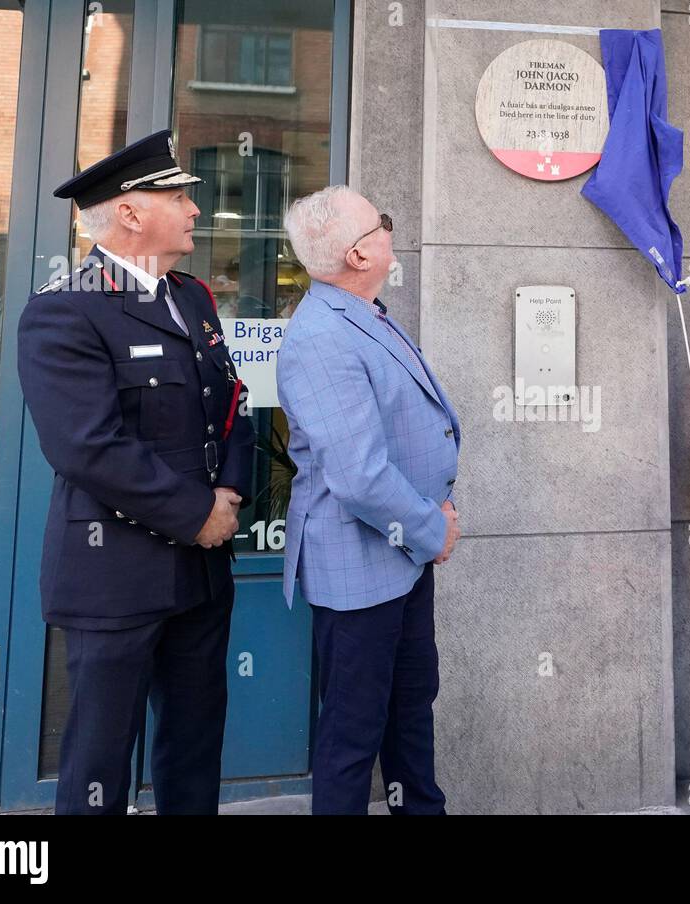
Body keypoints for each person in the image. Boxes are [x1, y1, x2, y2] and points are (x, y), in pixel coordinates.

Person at [17, 129, 255, 814]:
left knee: (194, 746)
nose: (195, 209)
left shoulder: (192, 297)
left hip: (200, 572)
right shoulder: (65, 308)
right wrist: (197, 513)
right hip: (115, 574)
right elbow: (87, 447)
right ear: (128, 212)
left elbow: (232, 403)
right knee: (100, 758)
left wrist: (230, 491)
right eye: (178, 196)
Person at [277, 186, 461, 815]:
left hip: (401, 556)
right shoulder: (322, 336)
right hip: (362, 564)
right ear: (358, 255)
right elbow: (358, 477)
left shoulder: (363, 312)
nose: (390, 228)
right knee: (353, 733)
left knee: (410, 707)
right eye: (381, 222)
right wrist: (432, 528)